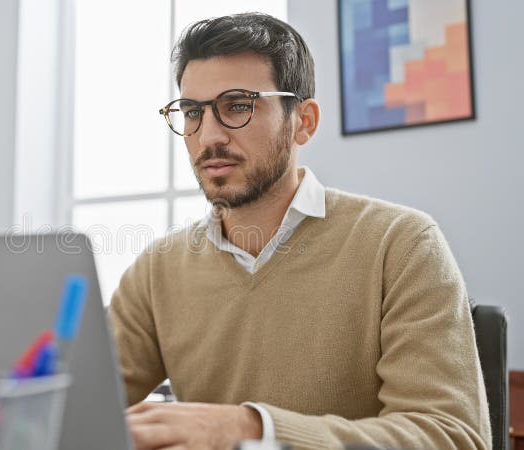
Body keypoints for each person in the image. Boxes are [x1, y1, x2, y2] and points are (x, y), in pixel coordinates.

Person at [109, 12, 491, 450]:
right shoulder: (158, 270)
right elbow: (76, 402)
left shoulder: (401, 245)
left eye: (237, 105)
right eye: (192, 112)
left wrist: (252, 429)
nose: (207, 135)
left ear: (303, 121)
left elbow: (452, 437)